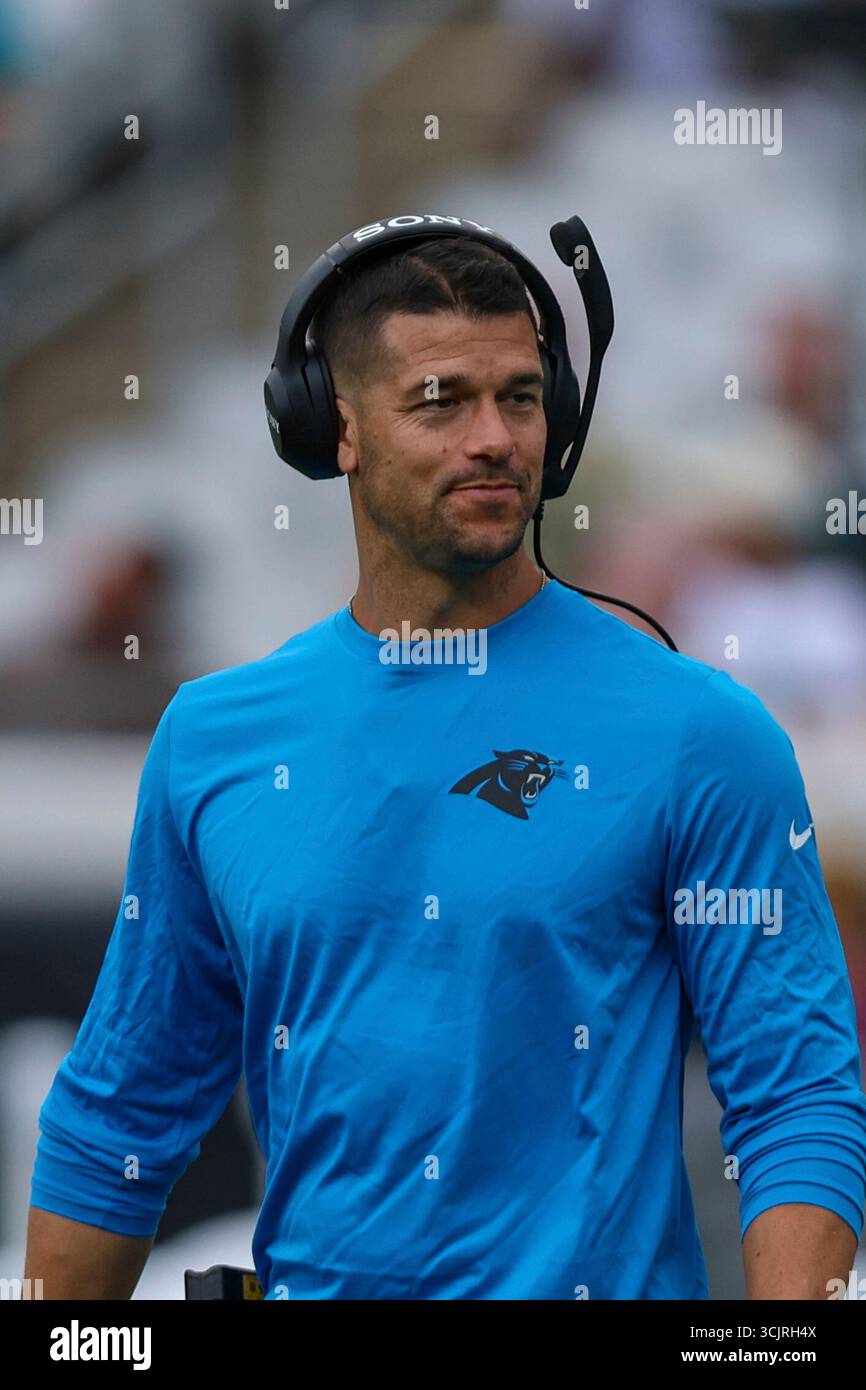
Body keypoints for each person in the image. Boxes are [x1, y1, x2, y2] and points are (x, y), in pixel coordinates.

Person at [26, 235, 866, 1299]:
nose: (493, 438)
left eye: (519, 398)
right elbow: (120, 1111)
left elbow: (793, 1093)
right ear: (332, 425)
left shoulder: (699, 733)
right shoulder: (213, 739)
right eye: (440, 401)